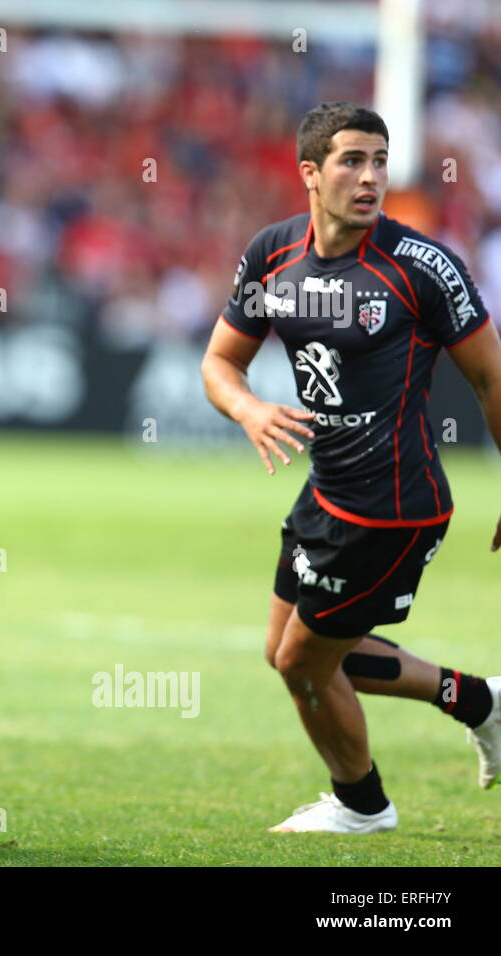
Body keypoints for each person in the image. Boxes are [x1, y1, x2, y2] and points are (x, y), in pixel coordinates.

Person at [201, 101, 501, 833]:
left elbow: (493, 380)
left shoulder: (422, 267)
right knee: (288, 651)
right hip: (324, 493)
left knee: (305, 664)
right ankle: (482, 702)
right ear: (309, 172)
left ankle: (361, 807)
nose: (370, 178)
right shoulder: (272, 254)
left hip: (393, 507)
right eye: (351, 161)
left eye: (379, 162)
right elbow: (218, 363)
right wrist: (247, 410)